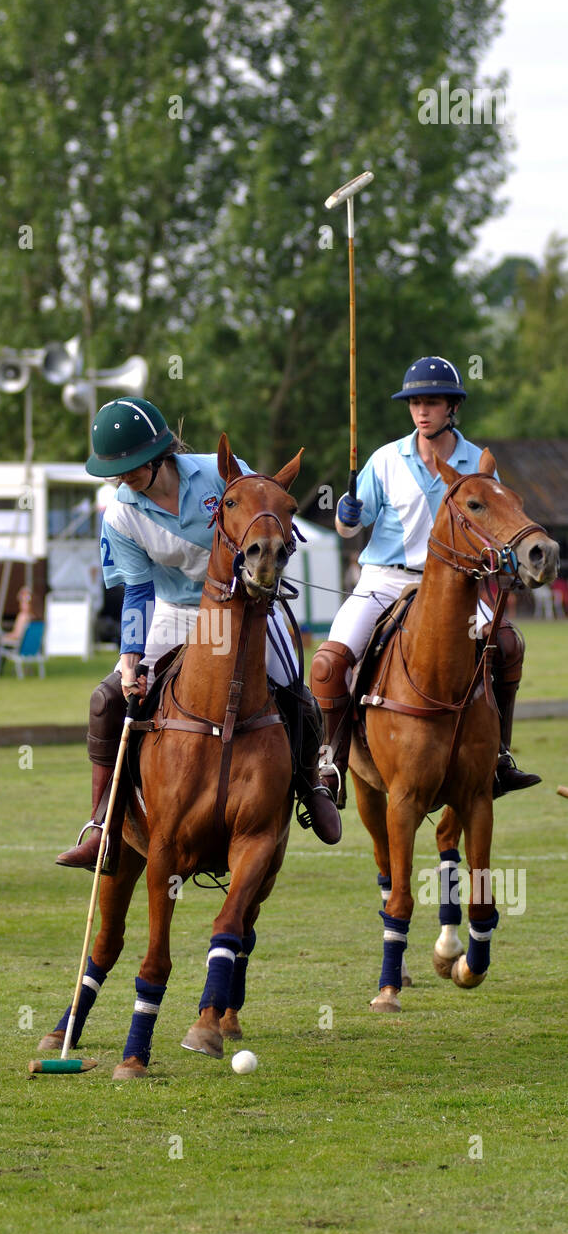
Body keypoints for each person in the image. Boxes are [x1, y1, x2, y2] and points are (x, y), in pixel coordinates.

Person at [56, 396, 341, 874]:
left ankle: (311, 784)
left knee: (296, 692)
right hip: (174, 613)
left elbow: (264, 515)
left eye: (130, 467)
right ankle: (102, 825)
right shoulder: (121, 514)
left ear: (157, 457)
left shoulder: (217, 473)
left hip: (240, 608)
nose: (124, 478)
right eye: (116, 471)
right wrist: (129, 660)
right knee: (108, 701)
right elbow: (137, 591)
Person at [310, 356, 539, 807]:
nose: (421, 411)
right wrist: (346, 513)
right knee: (329, 664)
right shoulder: (385, 459)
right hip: (386, 582)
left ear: (452, 407)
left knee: (509, 646)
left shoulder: (479, 462)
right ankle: (331, 760)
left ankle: (499, 755)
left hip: (458, 587)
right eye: (415, 402)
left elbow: (501, 525)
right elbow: (349, 528)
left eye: (431, 402)